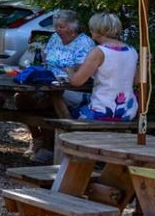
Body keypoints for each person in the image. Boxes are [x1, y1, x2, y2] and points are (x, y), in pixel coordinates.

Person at [17, 9, 96, 161]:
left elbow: (81, 71)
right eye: (56, 26)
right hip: (49, 83)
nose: (57, 30)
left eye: (61, 26)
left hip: (75, 88)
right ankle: (38, 139)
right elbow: (46, 59)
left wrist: (65, 71)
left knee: (48, 102)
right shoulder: (54, 38)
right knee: (21, 98)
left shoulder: (85, 43)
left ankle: (49, 148)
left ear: (73, 27)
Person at [64, 12, 138, 121]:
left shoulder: (99, 52)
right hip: (128, 112)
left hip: (102, 112)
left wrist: (69, 70)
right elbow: (136, 81)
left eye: (92, 29)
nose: (90, 31)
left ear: (98, 31)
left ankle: (70, 135)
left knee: (65, 104)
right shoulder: (131, 50)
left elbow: (76, 82)